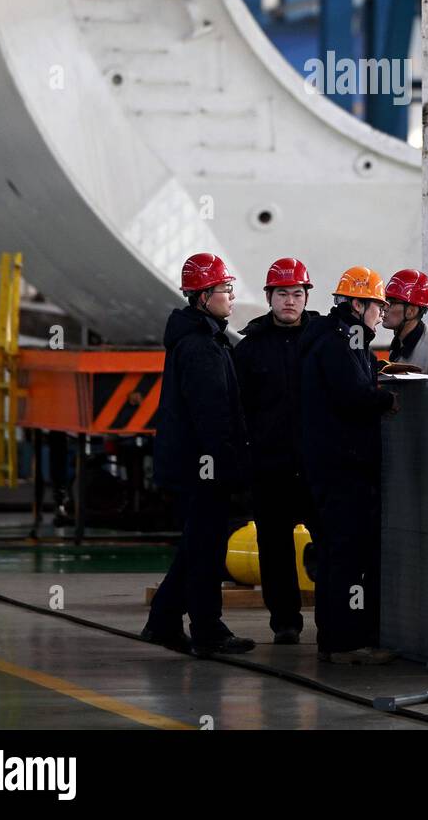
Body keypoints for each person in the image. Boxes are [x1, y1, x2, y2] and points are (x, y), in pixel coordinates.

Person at [142, 252, 255, 657]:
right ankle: (209, 631)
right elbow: (213, 416)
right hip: (202, 469)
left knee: (196, 545)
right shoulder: (201, 347)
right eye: (225, 289)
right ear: (203, 295)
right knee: (206, 552)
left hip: (191, 466)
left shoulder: (199, 337)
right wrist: (229, 465)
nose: (231, 296)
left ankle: (163, 621)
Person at [300, 265, 398, 665]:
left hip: (331, 467)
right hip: (344, 470)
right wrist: (387, 399)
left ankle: (335, 639)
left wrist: (383, 373)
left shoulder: (337, 338)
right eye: (377, 305)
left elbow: (356, 378)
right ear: (357, 304)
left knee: (337, 555)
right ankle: (345, 643)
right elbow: (351, 395)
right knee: (347, 557)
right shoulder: (340, 342)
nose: (381, 313)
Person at [234, 258, 319, 645]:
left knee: (331, 542)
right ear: (269, 297)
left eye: (297, 293)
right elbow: (239, 409)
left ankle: (335, 618)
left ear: (306, 297)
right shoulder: (250, 349)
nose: (290, 300)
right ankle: (285, 622)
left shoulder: (324, 340)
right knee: (274, 547)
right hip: (270, 467)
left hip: (318, 464)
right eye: (282, 293)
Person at [378, 269, 428, 374]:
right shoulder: (399, 344)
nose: (384, 308)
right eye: (385, 301)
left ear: (411, 311)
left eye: (392, 302)